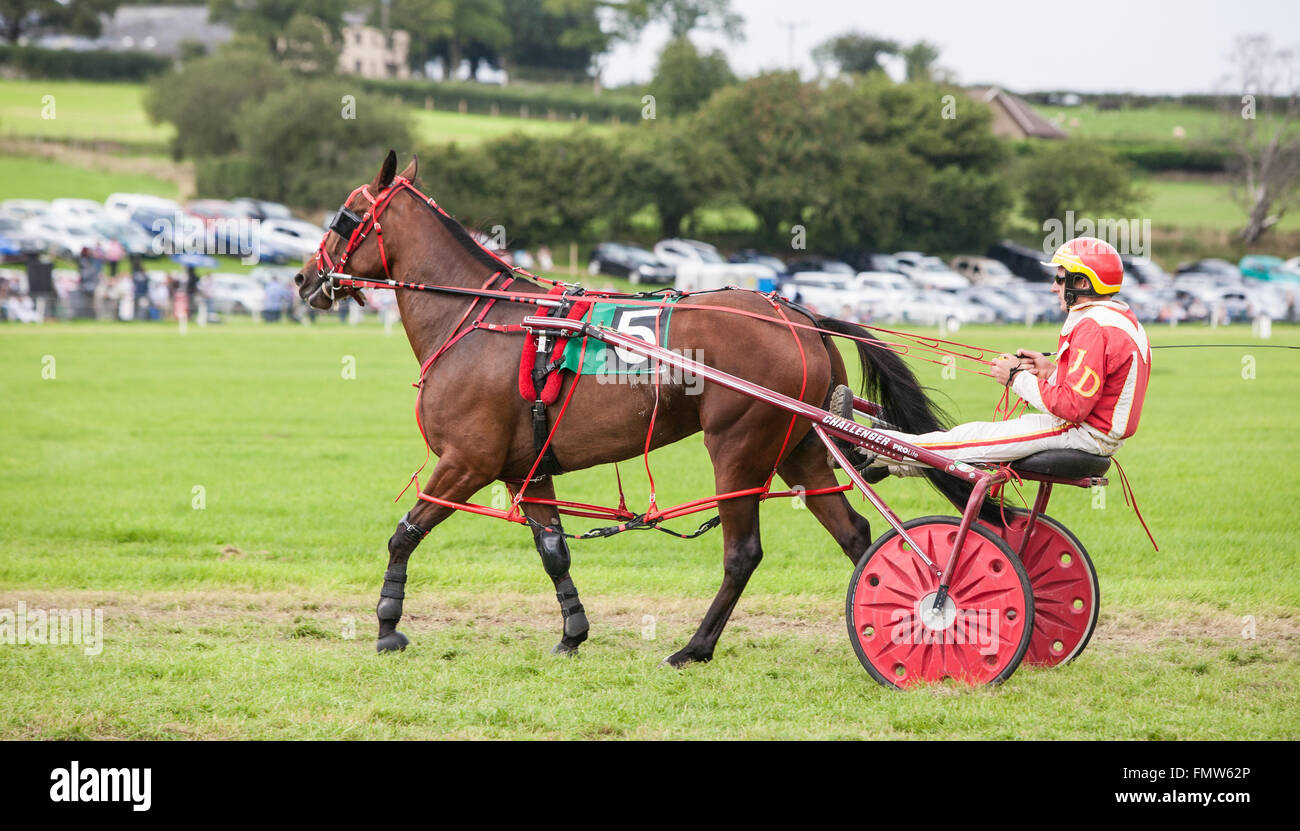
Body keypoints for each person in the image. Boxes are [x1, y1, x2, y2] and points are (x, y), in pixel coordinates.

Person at [863, 237, 1150, 473]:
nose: (1054, 287)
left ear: (1083, 283)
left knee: (970, 441)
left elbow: (1072, 406)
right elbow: (1094, 386)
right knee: (971, 436)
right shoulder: (1118, 317)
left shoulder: (1093, 327)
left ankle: (868, 445)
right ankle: (889, 464)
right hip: (1091, 431)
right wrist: (1049, 372)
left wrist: (1016, 377)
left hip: (1082, 433)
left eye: (1060, 279)